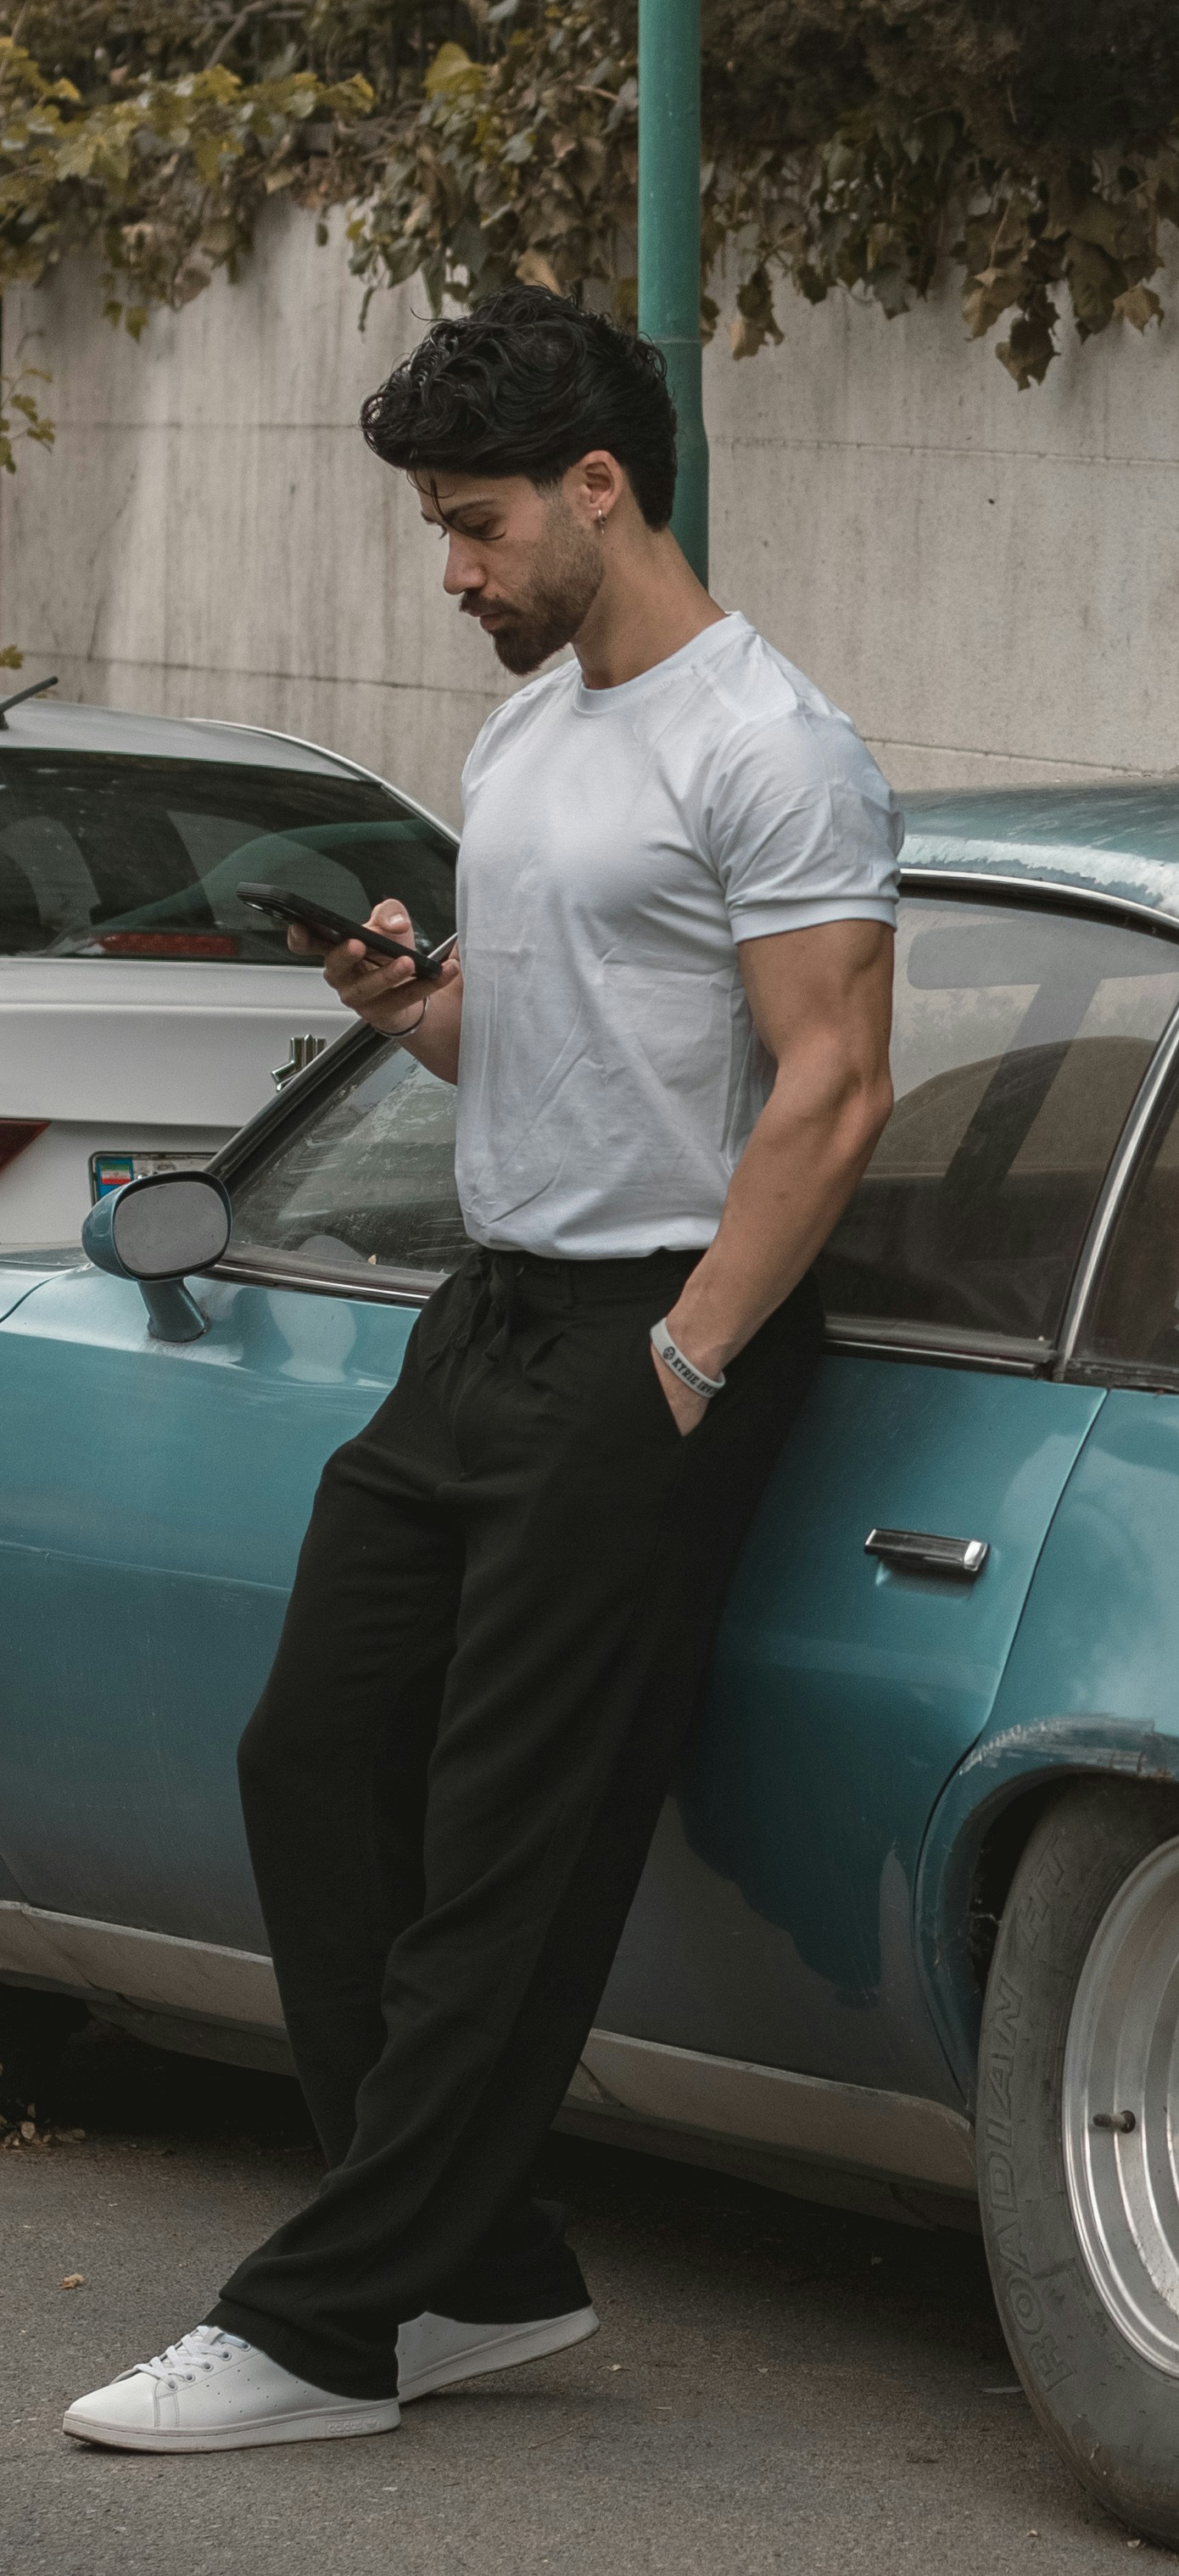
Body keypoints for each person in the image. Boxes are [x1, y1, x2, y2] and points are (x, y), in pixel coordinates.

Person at [66, 288, 898, 2454]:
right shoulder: (527, 745)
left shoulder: (771, 746)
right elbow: (534, 1041)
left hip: (654, 1331)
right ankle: (479, 2267)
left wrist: (696, 1366)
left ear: (599, 488)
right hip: (490, 1312)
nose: (451, 572)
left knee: (515, 1844)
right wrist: (407, 1006)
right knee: (314, 1759)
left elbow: (834, 1083)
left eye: (472, 525)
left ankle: (329, 2321)